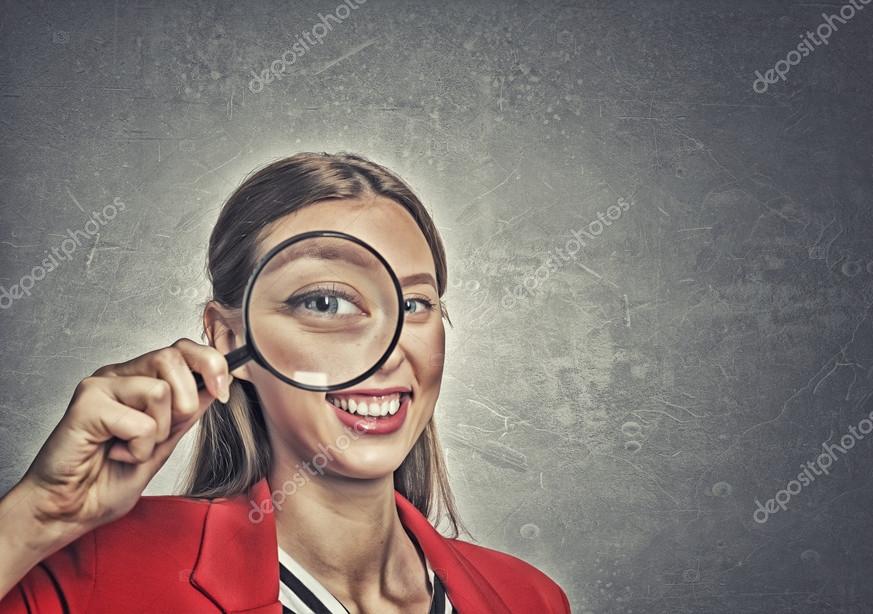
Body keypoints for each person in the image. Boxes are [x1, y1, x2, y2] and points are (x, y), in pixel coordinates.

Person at [0, 152, 571, 613]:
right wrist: (39, 514)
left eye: (415, 303)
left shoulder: (529, 599)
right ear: (227, 340)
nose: (389, 350)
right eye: (325, 301)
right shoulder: (96, 575)